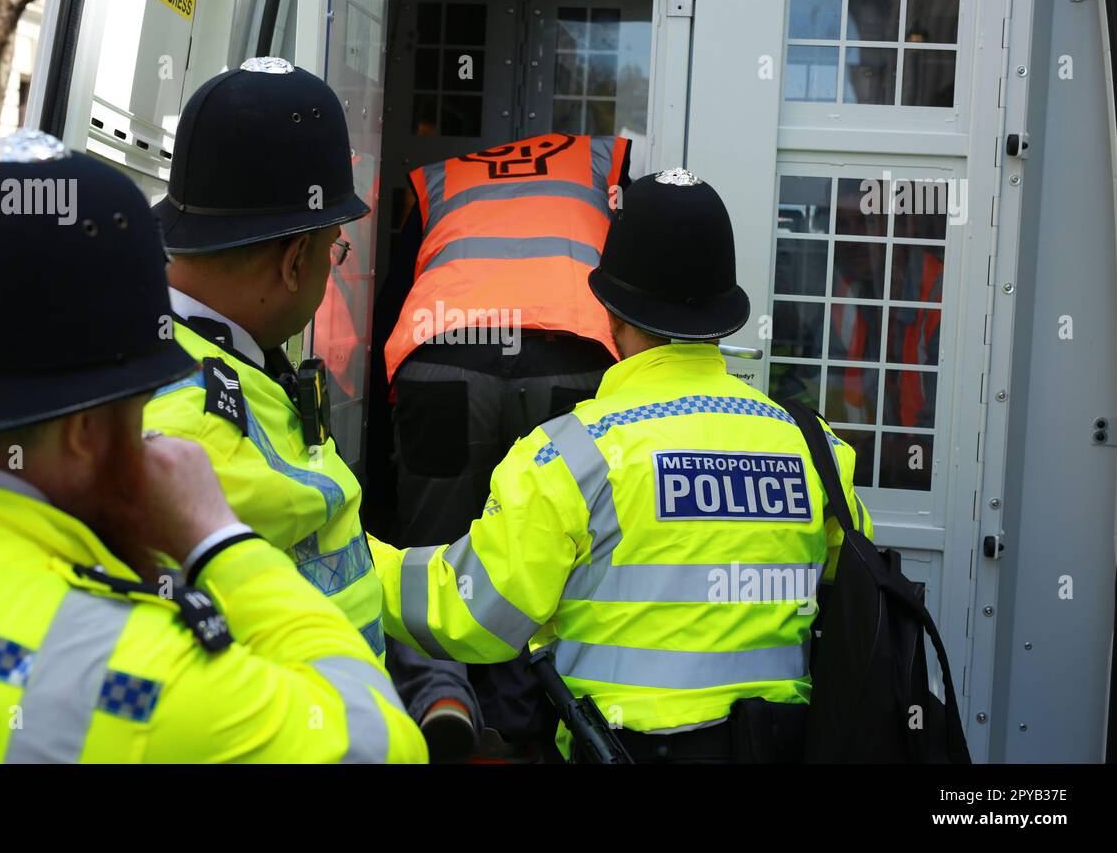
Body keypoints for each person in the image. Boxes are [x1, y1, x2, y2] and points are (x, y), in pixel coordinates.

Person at [0, 130, 426, 764]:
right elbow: (379, 746)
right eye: (137, 404)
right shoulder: (144, 677)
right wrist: (222, 541)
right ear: (85, 432)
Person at [369, 168, 876, 763]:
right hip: (780, 749)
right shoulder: (813, 448)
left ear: (608, 310)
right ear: (722, 316)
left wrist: (352, 555)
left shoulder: (570, 455)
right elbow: (857, 603)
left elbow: (471, 612)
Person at [143, 57, 478, 761]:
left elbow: (330, 558)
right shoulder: (187, 425)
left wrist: (465, 605)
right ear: (297, 260)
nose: (332, 270)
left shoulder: (227, 360)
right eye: (335, 250)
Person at [374, 132, 630, 761]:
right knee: (549, 541)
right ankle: (520, 724)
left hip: (444, 358)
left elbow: (393, 301)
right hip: (567, 355)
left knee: (431, 550)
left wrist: (385, 437)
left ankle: (443, 700)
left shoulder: (442, 181)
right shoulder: (601, 168)